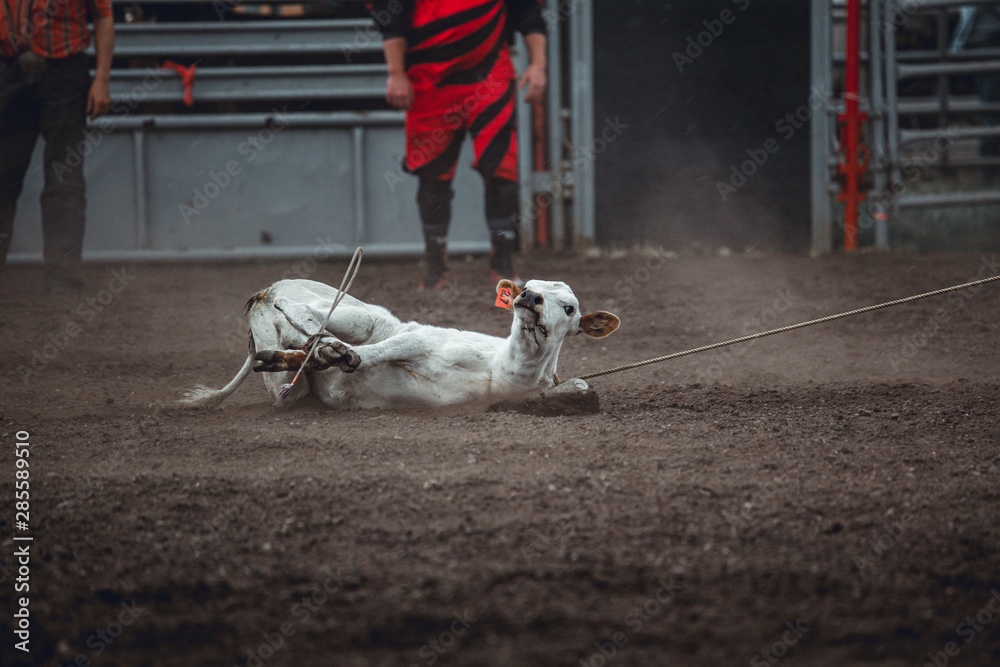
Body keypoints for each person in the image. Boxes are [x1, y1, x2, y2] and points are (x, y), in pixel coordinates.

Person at [375, 0, 547, 290]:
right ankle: (436, 270)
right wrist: (395, 73)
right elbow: (391, 19)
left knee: (502, 171)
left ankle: (503, 268)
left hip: (490, 78)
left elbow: (529, 15)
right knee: (432, 177)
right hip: (430, 83)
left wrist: (538, 65)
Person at [1, 0, 115, 298]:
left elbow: (103, 17)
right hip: (7, 71)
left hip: (65, 74)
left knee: (64, 181)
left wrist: (101, 80)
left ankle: (63, 284)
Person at [951, 4, 1000, 179]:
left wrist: (957, 46)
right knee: (991, 105)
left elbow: (971, 13)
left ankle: (988, 166)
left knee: (991, 106)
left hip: (988, 42)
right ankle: (989, 165)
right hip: (984, 43)